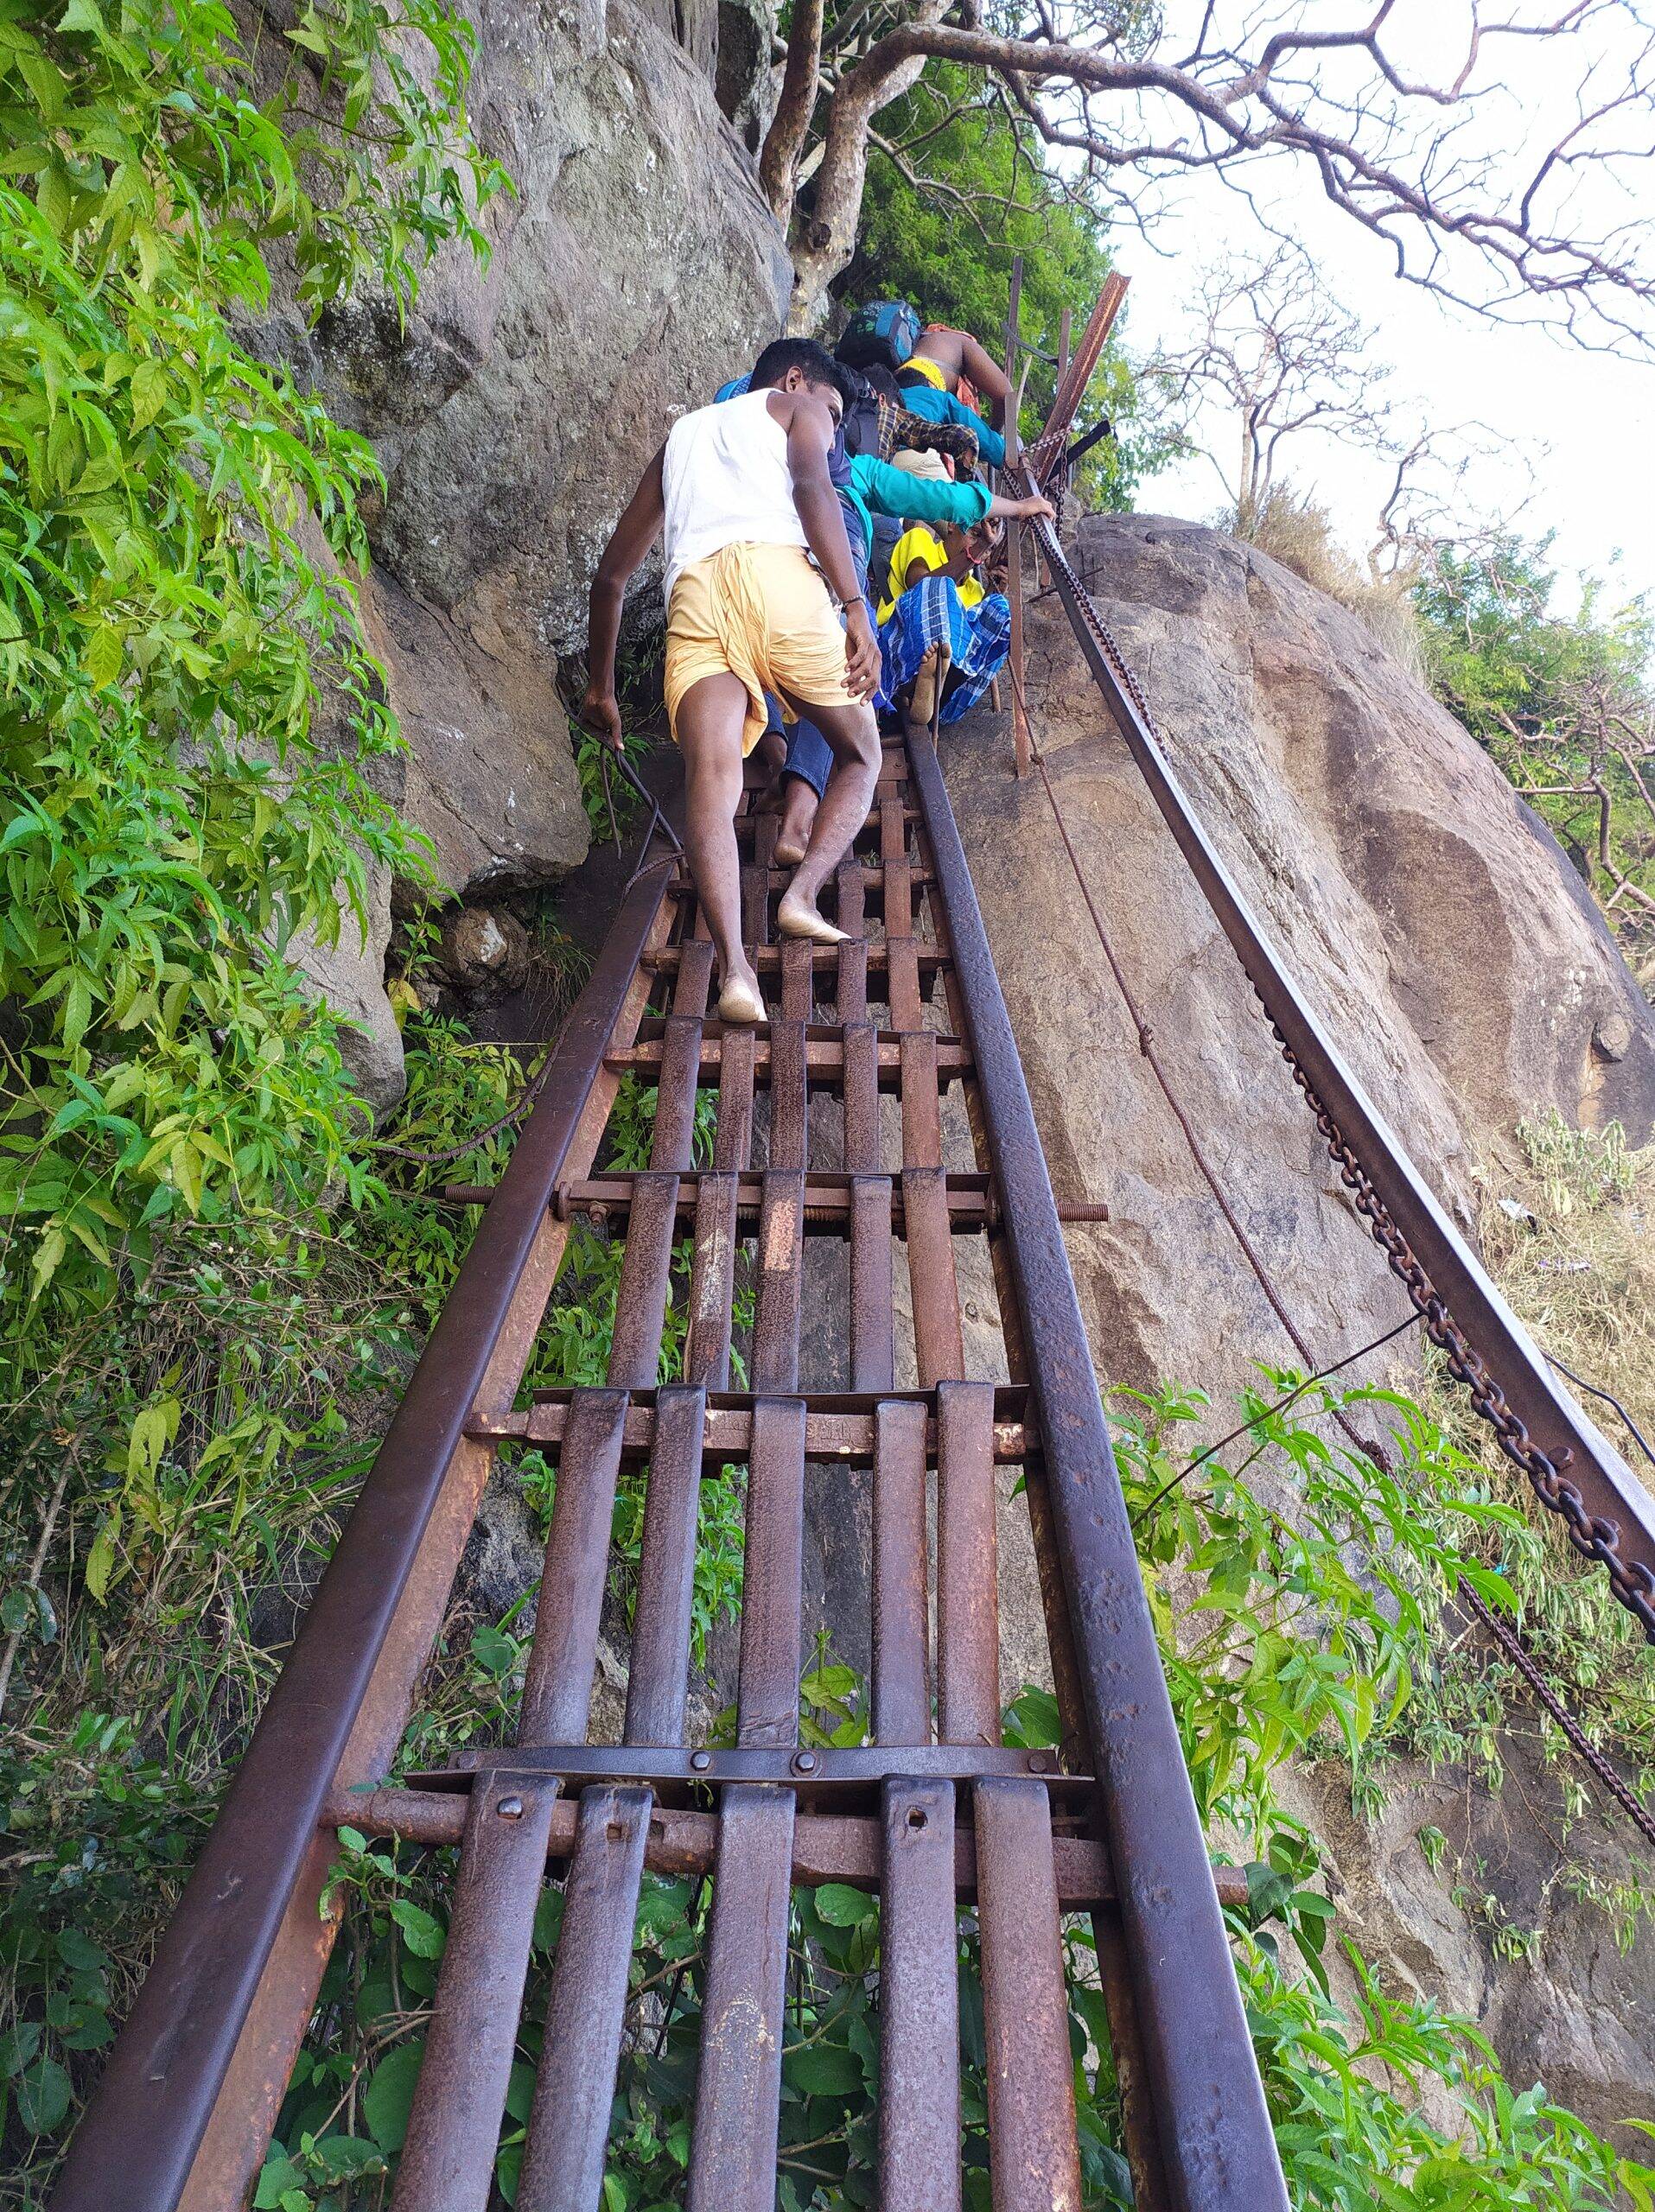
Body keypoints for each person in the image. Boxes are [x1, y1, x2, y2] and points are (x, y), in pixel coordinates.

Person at [581, 338, 881, 1026]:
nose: (832, 431)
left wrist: (601, 689)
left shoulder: (680, 438)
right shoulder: (795, 409)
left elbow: (611, 578)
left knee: (713, 783)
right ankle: (800, 897)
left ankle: (737, 976)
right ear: (796, 379)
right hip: (778, 577)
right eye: (831, 412)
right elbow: (812, 491)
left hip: (696, 595)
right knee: (862, 752)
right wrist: (856, 606)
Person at [878, 514, 1013, 734]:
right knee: (938, 588)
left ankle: (936, 688)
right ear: (952, 525)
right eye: (975, 535)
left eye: (987, 548)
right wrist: (977, 551)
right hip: (895, 660)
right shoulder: (920, 540)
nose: (979, 547)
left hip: (947, 696)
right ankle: (925, 682)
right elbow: (919, 583)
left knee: (1000, 610)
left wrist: (993, 592)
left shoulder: (976, 592)